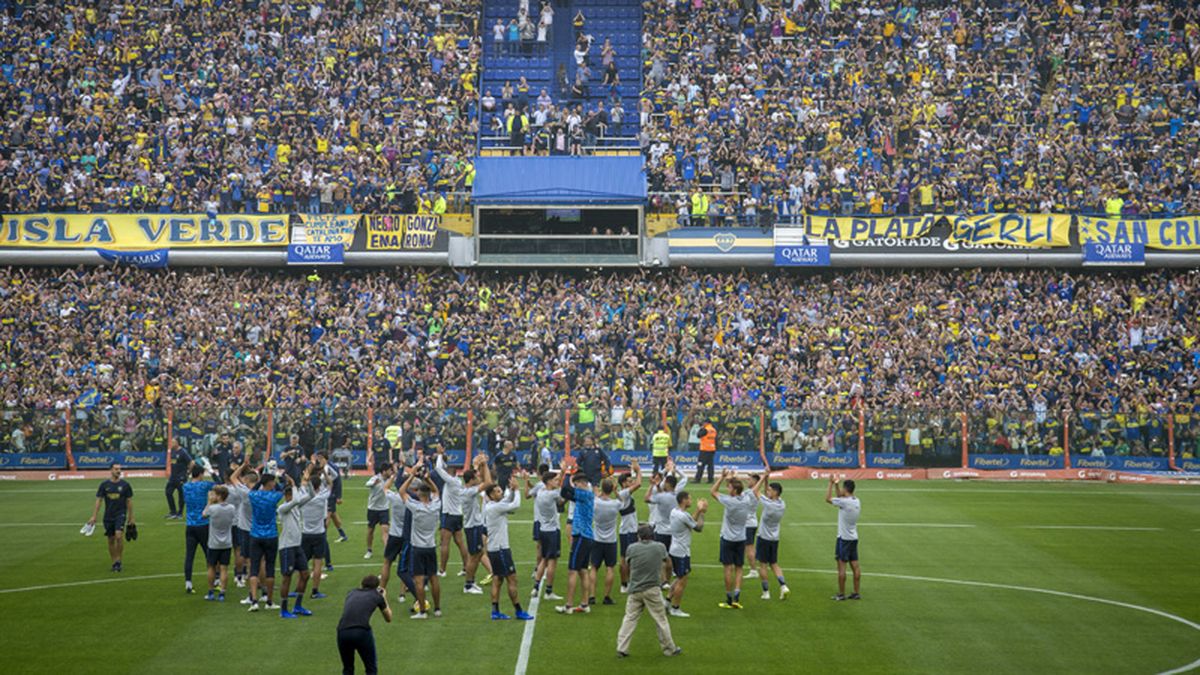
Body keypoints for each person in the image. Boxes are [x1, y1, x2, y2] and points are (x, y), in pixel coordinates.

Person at [616, 525, 682, 658]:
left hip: (635, 589)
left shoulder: (632, 548)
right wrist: (666, 580)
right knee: (660, 619)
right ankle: (669, 648)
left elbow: (626, 566)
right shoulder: (660, 547)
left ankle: (622, 648)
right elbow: (668, 564)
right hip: (652, 589)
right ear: (652, 535)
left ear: (639, 536)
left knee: (629, 618)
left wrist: (628, 582)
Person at [483, 473, 533, 620]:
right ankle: (518, 611)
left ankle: (495, 611)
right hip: (501, 550)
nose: (501, 493)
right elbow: (514, 505)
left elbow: (505, 500)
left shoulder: (491, 505)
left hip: (494, 549)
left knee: (497, 580)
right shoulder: (495, 508)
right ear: (491, 495)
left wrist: (511, 490)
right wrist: (517, 490)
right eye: (498, 491)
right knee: (512, 579)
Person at [398, 465, 442, 619]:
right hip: (431, 547)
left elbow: (401, 491)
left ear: (419, 494)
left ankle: (422, 611)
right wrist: (429, 479)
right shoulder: (436, 505)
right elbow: (437, 492)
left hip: (417, 547)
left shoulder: (415, 507)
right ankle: (437, 609)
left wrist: (411, 475)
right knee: (434, 578)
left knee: (418, 581)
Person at [592, 464, 640, 605]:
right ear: (612, 489)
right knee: (610, 568)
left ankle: (591, 596)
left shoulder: (595, 502)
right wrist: (615, 489)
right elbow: (622, 500)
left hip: (597, 539)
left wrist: (601, 487)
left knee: (593, 568)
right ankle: (607, 596)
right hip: (611, 540)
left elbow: (596, 493)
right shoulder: (616, 504)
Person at [712, 469, 755, 609]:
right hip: (741, 538)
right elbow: (746, 491)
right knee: (739, 568)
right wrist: (733, 479)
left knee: (727, 568)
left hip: (728, 538)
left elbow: (713, 491)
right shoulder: (746, 500)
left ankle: (729, 598)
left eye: (729, 487)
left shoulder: (729, 501)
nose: (727, 488)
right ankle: (737, 595)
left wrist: (721, 477)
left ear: (735, 490)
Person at [278, 464, 317, 618]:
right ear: (286, 496)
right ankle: (283, 609)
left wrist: (308, 482)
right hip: (287, 546)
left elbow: (312, 495)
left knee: (305, 574)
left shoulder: (295, 506)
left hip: (297, 546)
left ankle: (298, 606)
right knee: (287, 578)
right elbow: (295, 501)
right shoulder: (283, 508)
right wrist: (295, 484)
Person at [243, 468, 284, 612]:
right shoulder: (274, 496)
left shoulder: (254, 495)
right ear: (270, 483)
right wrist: (276, 481)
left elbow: (252, 490)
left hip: (255, 535)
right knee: (270, 569)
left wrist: (260, 480)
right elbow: (281, 490)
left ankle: (254, 601)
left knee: (254, 568)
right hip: (271, 535)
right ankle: (269, 601)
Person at [555, 472, 595, 615]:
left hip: (581, 536)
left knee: (572, 571)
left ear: (582, 483)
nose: (575, 486)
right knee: (583, 571)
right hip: (587, 536)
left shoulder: (584, 494)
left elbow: (566, 487)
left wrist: (567, 472)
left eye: (576, 483)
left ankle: (568, 606)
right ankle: (585, 604)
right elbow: (565, 492)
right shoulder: (587, 495)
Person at [336, 575, 393, 675]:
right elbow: (388, 618)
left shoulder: (351, 593)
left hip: (342, 631)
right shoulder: (377, 596)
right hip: (361, 631)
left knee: (348, 668)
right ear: (377, 587)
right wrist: (384, 598)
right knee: (371, 668)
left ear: (362, 585)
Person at [86, 463, 134, 572]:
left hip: (120, 514)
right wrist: (94, 516)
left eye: (119, 469)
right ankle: (114, 562)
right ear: (111, 470)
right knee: (111, 539)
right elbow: (99, 500)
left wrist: (131, 517)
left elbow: (129, 501)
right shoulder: (104, 485)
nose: (118, 471)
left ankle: (119, 561)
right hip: (108, 515)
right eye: (116, 469)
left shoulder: (125, 485)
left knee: (118, 536)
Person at [667, 490, 707, 617]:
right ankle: (675, 608)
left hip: (675, 549)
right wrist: (701, 511)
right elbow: (698, 528)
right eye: (689, 499)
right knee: (682, 581)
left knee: (679, 577)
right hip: (681, 552)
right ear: (684, 500)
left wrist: (698, 511)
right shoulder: (683, 516)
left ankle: (667, 600)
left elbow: (690, 520)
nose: (691, 500)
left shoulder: (675, 512)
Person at [433, 448, 472, 578]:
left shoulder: (451, 481)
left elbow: (438, 469)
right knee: (460, 543)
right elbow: (443, 468)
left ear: (451, 473)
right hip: (457, 515)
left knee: (445, 543)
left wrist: (439, 454)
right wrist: (443, 457)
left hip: (449, 515)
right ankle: (466, 567)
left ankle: (442, 570)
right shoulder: (457, 481)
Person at [647, 459, 686, 583]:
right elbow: (683, 478)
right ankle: (671, 575)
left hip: (658, 526)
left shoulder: (658, 493)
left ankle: (662, 579)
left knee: (661, 556)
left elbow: (649, 496)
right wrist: (673, 468)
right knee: (670, 555)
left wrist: (667, 470)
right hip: (674, 529)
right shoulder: (677, 495)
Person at [301, 455, 334, 600]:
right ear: (318, 486)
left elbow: (302, 485)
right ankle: (315, 591)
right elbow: (330, 484)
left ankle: (299, 588)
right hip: (319, 533)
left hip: (305, 533)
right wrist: (325, 472)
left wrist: (306, 476)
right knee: (318, 562)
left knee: (302, 563)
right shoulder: (322, 497)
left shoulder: (304, 497)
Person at [460, 454, 494, 595]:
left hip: (474, 525)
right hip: (472, 526)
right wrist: (485, 464)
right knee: (474, 556)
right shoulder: (469, 492)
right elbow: (488, 483)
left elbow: (481, 479)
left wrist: (478, 466)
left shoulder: (467, 489)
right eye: (476, 477)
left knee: (478, 554)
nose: (478, 478)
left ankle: (471, 581)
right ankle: (468, 584)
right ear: (471, 480)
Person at [754, 476, 789, 601]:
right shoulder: (782, 504)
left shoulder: (768, 504)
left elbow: (755, 491)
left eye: (769, 490)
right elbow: (764, 493)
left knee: (762, 565)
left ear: (775, 492)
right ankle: (783, 586)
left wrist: (763, 477)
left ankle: (766, 592)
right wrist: (767, 481)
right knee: (774, 564)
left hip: (763, 537)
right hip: (775, 538)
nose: (767, 491)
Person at [181, 464, 215, 594]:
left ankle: (188, 582)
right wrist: (211, 471)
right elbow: (219, 483)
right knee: (209, 554)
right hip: (203, 523)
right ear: (200, 474)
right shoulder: (204, 485)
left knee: (189, 555)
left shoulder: (186, 486)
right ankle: (215, 580)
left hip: (190, 525)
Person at [530, 470, 564, 601]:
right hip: (553, 531)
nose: (557, 481)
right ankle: (549, 591)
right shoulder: (553, 495)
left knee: (543, 560)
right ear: (549, 482)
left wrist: (562, 471)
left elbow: (555, 485)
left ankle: (536, 587)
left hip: (543, 530)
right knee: (552, 562)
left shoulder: (540, 492)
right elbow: (561, 501)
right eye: (554, 480)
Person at [826, 476, 861, 601]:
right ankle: (856, 592)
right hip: (853, 538)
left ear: (845, 489)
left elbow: (828, 499)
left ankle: (841, 594)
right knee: (855, 565)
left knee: (841, 567)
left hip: (843, 538)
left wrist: (830, 484)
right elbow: (840, 497)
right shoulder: (856, 501)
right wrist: (837, 485)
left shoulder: (844, 502)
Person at [202, 484, 236, 602]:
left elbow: (204, 514)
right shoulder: (231, 508)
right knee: (224, 568)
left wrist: (209, 501)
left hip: (213, 543)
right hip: (227, 543)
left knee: (211, 567)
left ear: (219, 496)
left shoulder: (213, 508)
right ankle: (222, 593)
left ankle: (211, 592)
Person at [616, 463, 643, 594]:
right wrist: (638, 471)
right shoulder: (624, 493)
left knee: (627, 558)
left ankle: (627, 583)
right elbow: (639, 484)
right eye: (628, 481)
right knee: (626, 559)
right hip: (628, 531)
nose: (631, 482)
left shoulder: (623, 493)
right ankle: (625, 583)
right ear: (623, 483)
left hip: (629, 529)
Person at [364, 463, 394, 559]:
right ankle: (369, 550)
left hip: (384, 509)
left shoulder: (390, 479)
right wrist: (373, 483)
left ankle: (387, 551)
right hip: (372, 509)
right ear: (384, 471)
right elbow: (367, 484)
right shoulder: (376, 478)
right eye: (389, 470)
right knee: (370, 531)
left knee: (385, 530)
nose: (391, 472)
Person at [165, 440, 191, 519]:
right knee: (168, 492)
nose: (171, 444)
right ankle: (173, 512)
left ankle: (180, 513)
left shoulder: (183, 452)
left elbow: (191, 462)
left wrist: (187, 473)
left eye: (173, 442)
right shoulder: (172, 451)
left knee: (181, 495)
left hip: (180, 477)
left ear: (177, 443)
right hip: (173, 477)